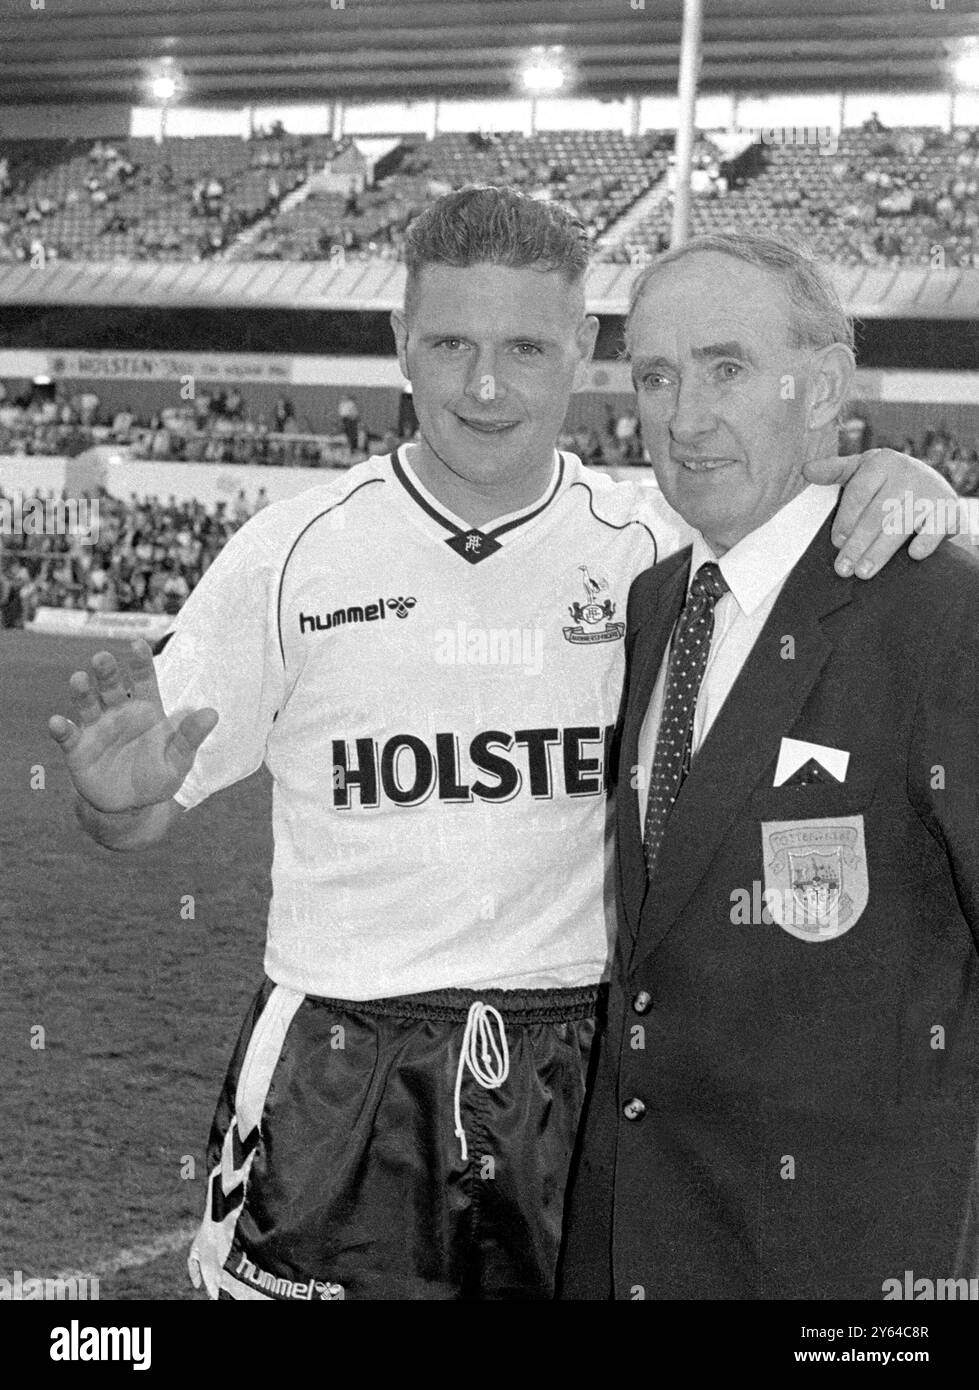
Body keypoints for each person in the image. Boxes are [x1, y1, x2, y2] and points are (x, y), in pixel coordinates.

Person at [48, 189, 959, 1303]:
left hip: (580, 1076)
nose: (485, 387)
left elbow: (802, 516)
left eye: (525, 347)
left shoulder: (655, 541)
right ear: (398, 347)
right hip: (346, 1070)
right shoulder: (288, 554)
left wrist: (904, 482)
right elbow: (139, 808)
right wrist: (115, 798)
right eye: (450, 345)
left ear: (582, 350)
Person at [557, 232, 979, 1301]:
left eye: (726, 368)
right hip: (640, 1237)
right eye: (656, 375)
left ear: (823, 384)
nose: (683, 416)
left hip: (843, 1262)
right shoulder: (657, 604)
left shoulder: (937, 610)